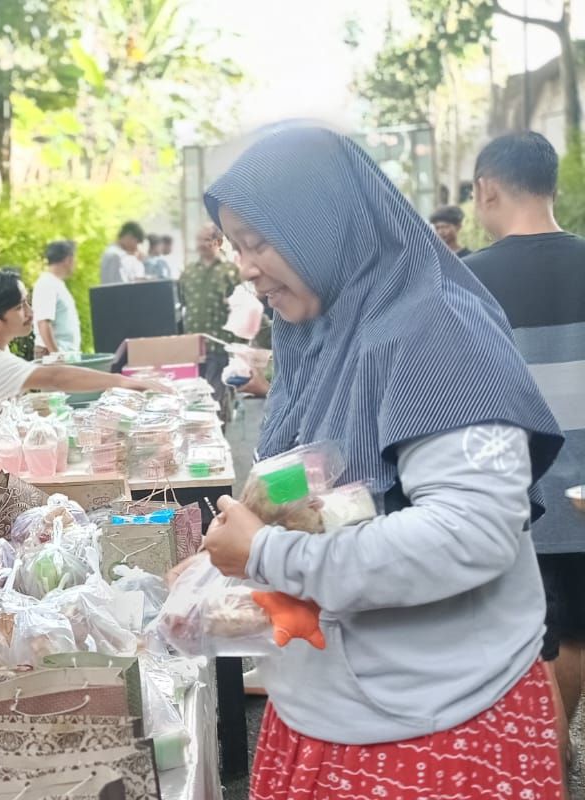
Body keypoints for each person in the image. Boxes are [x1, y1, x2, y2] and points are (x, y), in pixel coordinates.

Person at [189, 126, 565, 799]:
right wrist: (226, 566)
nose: (245, 267)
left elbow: (470, 533)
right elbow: (325, 484)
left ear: (322, 226)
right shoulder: (320, 332)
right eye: (234, 245)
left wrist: (269, 554)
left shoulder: (436, 328)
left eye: (259, 241)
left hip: (434, 727)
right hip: (330, 711)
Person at [467, 130, 585, 764]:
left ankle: (549, 758)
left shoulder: (467, 282)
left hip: (516, 496)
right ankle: (559, 750)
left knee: (531, 641)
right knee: (578, 635)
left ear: (487, 189)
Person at [0, 271, 161, 474]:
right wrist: (122, 381)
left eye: (27, 302)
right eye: (20, 307)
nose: (31, 313)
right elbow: (56, 377)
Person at [178, 222, 240, 340]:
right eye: (198, 240)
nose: (201, 244)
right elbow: (183, 301)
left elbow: (241, 307)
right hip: (193, 341)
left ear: (219, 242)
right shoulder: (188, 272)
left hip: (222, 342)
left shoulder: (231, 271)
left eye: (206, 240)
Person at [32, 240, 82, 357]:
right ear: (68, 259)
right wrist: (56, 355)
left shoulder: (56, 283)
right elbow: (43, 322)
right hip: (52, 353)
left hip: (64, 353)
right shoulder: (47, 283)